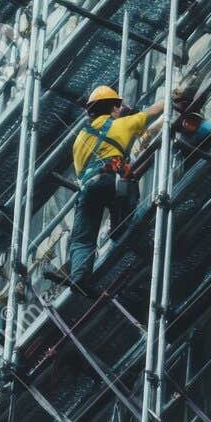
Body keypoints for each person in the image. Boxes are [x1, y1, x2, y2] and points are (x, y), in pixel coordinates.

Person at [67, 85, 165, 281]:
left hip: (88, 187)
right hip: (113, 181)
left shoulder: (79, 139)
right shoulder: (121, 125)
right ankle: (127, 235)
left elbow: (79, 171)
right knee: (125, 218)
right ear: (113, 109)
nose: (120, 110)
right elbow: (155, 111)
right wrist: (172, 95)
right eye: (118, 107)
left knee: (82, 239)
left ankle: (79, 277)